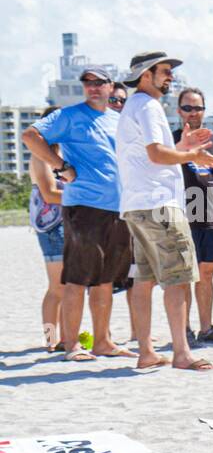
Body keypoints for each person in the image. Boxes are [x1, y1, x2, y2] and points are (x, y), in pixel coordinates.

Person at [22, 65, 134, 361]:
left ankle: (102, 342)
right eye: (87, 82)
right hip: (84, 207)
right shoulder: (69, 116)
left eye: (99, 82)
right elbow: (30, 136)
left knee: (106, 280)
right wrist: (60, 166)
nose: (93, 87)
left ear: (111, 87)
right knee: (76, 279)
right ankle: (71, 345)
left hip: (117, 208)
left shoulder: (117, 119)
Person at [115, 51, 213, 371]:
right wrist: (191, 157)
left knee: (144, 280)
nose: (170, 75)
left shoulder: (134, 106)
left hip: (137, 204)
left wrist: (183, 149)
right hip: (159, 203)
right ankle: (183, 353)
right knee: (178, 279)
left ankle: (147, 352)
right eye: (164, 70)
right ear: (146, 74)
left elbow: (153, 155)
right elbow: (157, 155)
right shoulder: (147, 105)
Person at [173, 87, 213, 344]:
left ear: (204, 110)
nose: (192, 112)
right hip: (183, 216)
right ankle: (184, 329)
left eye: (197, 107)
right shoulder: (171, 140)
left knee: (207, 273)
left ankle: (206, 327)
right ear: (179, 111)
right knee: (185, 275)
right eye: (187, 107)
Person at [27, 107, 64, 351]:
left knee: (70, 287)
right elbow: (50, 195)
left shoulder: (61, 152)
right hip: (52, 226)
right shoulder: (40, 155)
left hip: (69, 223)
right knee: (56, 287)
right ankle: (51, 339)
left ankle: (65, 337)